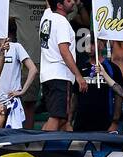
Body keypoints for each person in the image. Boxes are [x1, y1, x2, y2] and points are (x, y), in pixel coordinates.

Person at [38, 0, 84, 132]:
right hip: (60, 75)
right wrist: (78, 75)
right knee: (57, 117)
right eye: (69, 1)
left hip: (47, 75)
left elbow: (48, 3)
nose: (73, 2)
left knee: (61, 117)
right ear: (59, 5)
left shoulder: (46, 16)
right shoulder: (62, 22)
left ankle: (40, 144)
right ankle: (43, 149)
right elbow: (64, 50)